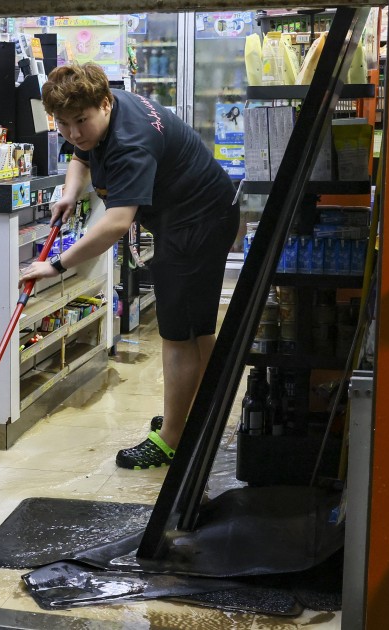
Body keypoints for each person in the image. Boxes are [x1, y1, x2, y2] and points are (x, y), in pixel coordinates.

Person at [21, 62, 238, 470]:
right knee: (198, 328)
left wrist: (57, 265)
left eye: (80, 121)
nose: (73, 133)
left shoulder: (130, 142)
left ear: (104, 104)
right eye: (63, 124)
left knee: (178, 336)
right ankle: (201, 415)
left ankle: (172, 439)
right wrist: (70, 192)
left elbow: (117, 223)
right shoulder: (100, 107)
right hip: (200, 214)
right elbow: (81, 154)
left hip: (195, 223)